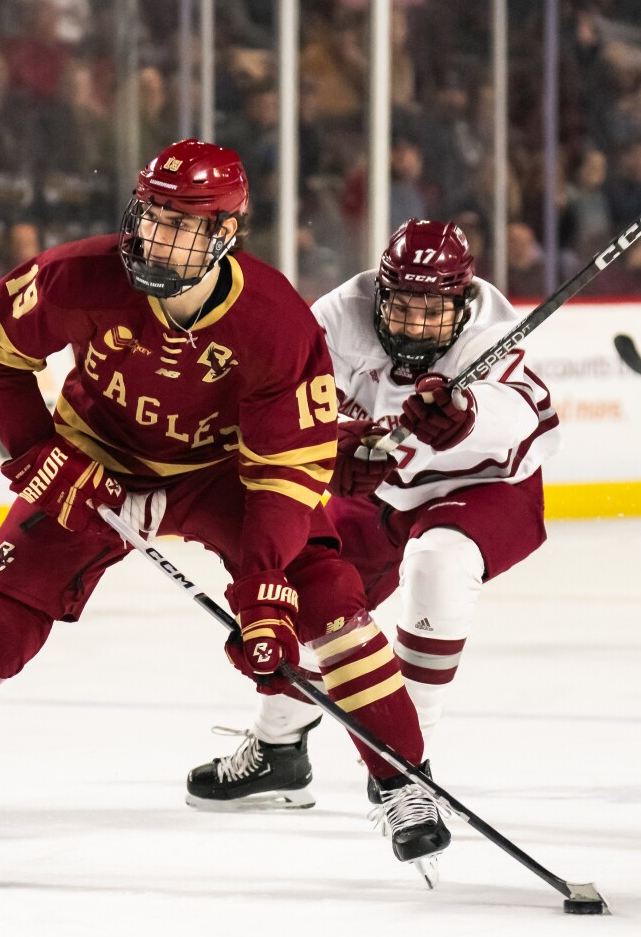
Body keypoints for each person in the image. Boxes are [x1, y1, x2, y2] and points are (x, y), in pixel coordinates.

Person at [0, 140, 448, 880]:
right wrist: (40, 456)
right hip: (97, 461)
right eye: (151, 216)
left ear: (224, 235)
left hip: (224, 474)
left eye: (182, 224)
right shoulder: (78, 276)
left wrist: (267, 586)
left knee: (329, 604)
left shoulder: (275, 322)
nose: (157, 237)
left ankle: (403, 785)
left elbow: (284, 473)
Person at [185, 219, 559, 810]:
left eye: (430, 310)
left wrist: (466, 416)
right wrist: (331, 446)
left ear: (460, 303)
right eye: (402, 306)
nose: (413, 324)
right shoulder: (336, 319)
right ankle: (279, 749)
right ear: (380, 293)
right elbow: (281, 404)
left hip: (487, 488)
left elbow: (522, 415)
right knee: (317, 601)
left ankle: (408, 771)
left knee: (439, 562)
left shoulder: (492, 330)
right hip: (381, 490)